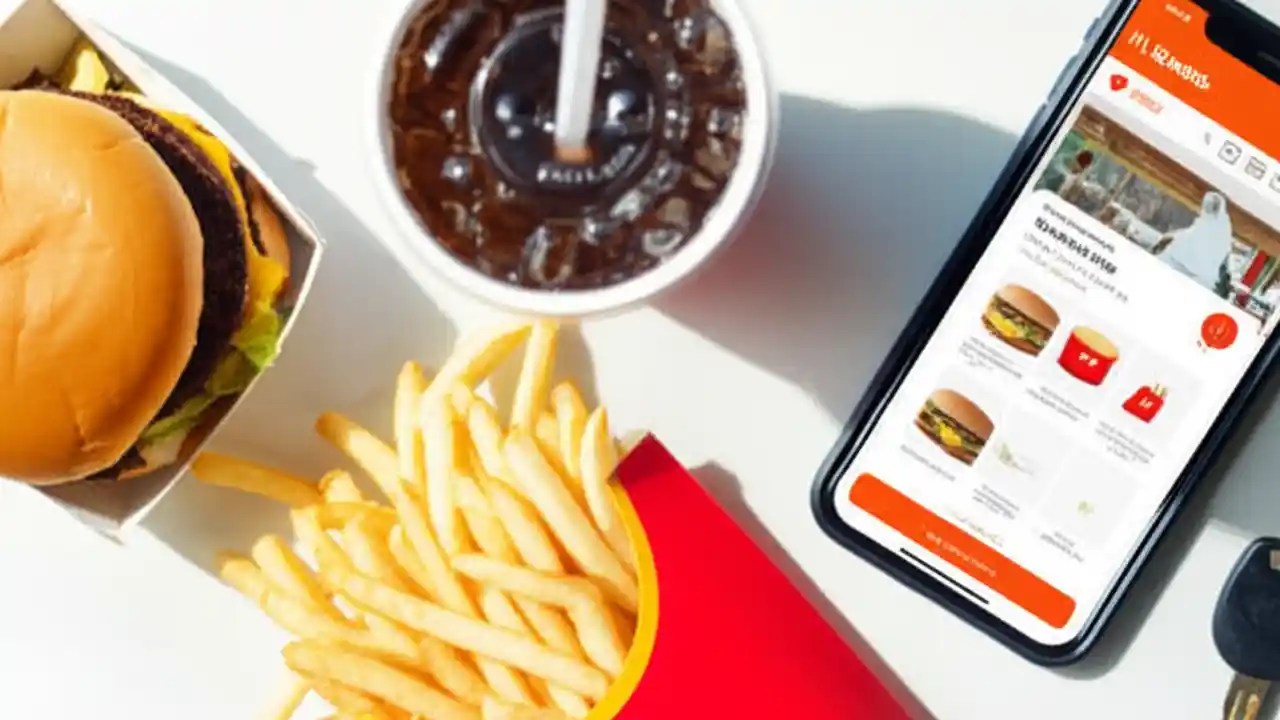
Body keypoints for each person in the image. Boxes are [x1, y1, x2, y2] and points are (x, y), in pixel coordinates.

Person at [1153, 191, 1234, 289]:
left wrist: (1171, 238)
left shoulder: (1219, 229)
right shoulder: (1210, 223)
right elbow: (1192, 234)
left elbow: (1196, 243)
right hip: (1187, 270)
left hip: (1194, 276)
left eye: (1211, 205)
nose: (1207, 207)